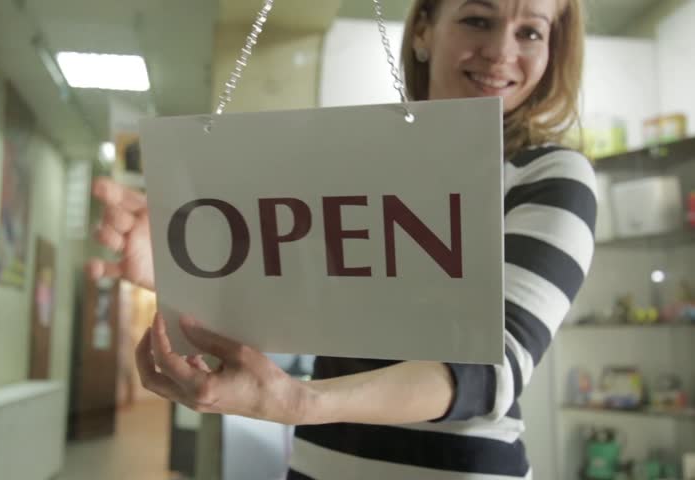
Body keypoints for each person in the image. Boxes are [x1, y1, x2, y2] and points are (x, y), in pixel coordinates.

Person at [86, 0, 597, 477]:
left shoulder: (550, 175)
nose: (502, 51)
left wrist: (303, 403)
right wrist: (184, 275)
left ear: (553, 51)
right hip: (319, 466)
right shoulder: (357, 163)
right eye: (478, 20)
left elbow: (492, 369)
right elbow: (284, 308)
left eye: (530, 31)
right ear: (423, 30)